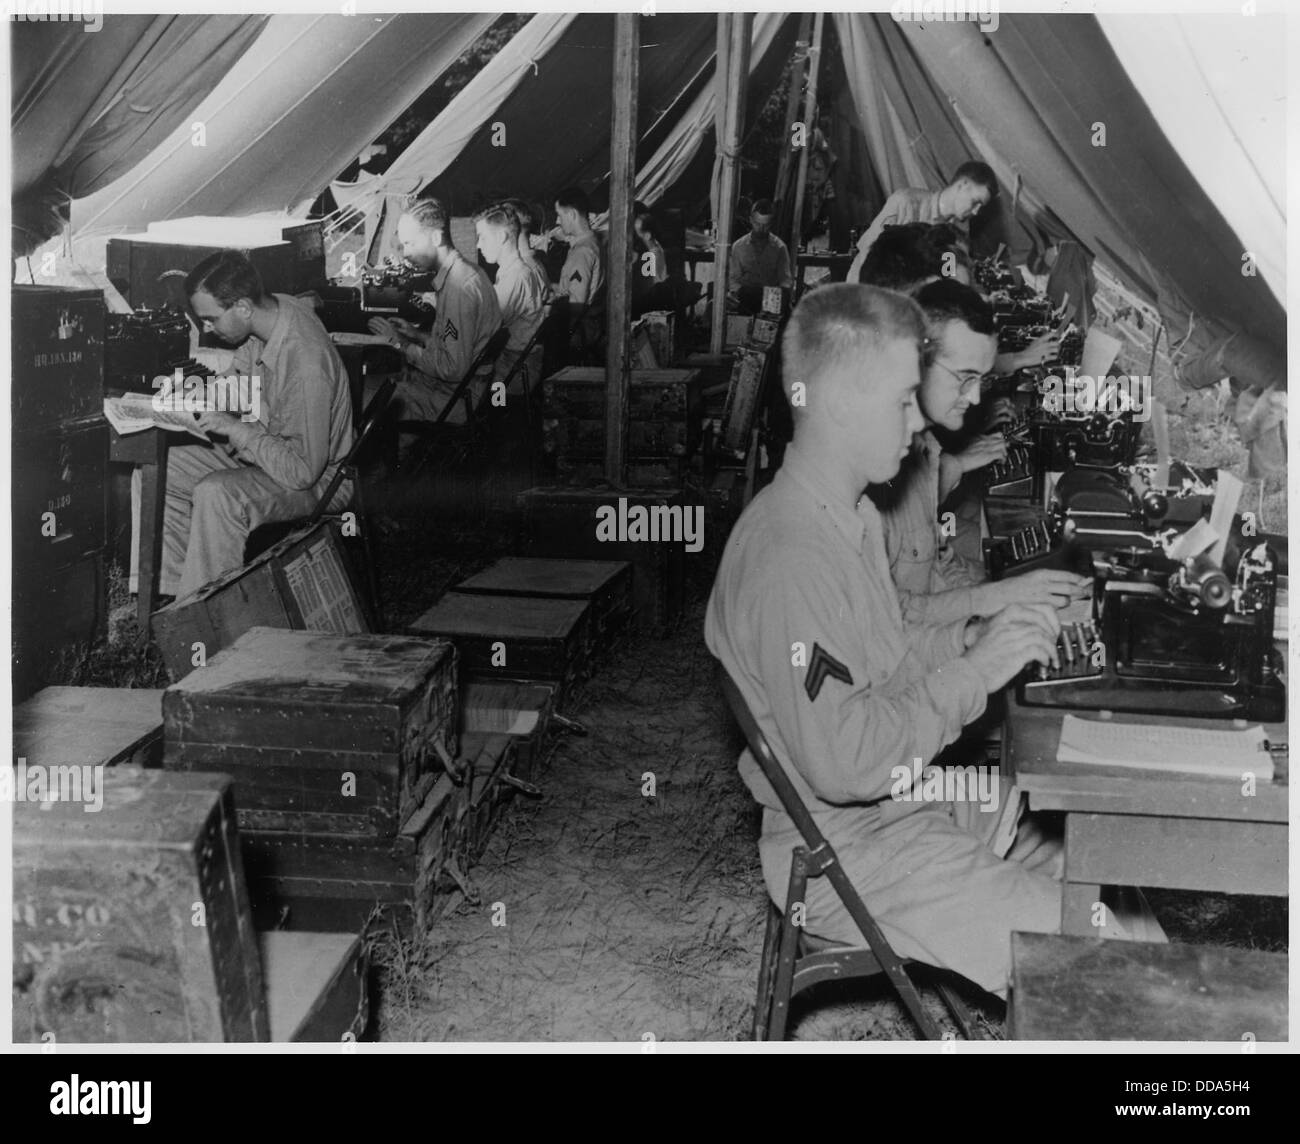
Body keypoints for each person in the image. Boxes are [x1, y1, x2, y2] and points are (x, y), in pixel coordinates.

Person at [705, 283, 1159, 998]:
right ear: (839, 403)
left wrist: (986, 635)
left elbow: (886, 657)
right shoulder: (790, 556)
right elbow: (849, 762)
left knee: (1109, 876)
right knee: (1114, 962)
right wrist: (977, 670)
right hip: (847, 853)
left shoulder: (843, 518)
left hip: (897, 810)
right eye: (901, 399)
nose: (919, 419)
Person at [874, 278, 1092, 627]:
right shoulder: (876, 466)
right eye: (965, 377)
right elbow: (888, 615)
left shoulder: (925, 449)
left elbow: (937, 564)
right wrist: (996, 599)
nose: (976, 398)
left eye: (982, 379)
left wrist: (1007, 587)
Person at [161, 251, 354, 600]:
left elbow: (302, 472)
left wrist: (235, 429)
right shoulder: (270, 316)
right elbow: (244, 382)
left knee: (217, 492)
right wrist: (197, 391)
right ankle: (177, 598)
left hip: (320, 479)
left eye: (210, 319)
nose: (206, 328)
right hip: (272, 452)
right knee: (165, 468)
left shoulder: (305, 364)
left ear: (243, 307)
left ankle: (211, 610)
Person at [366, 196, 502, 423]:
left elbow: (453, 369)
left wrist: (398, 343)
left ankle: (396, 454)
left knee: (368, 396)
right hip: (465, 387)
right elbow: (458, 343)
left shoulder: (459, 288)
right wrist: (417, 334)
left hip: (455, 397)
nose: (405, 253)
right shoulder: (466, 273)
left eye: (410, 243)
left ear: (436, 238)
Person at [847, 160, 998, 283]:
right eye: (975, 202)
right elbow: (868, 258)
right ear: (962, 185)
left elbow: (949, 274)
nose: (976, 211)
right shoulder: (905, 203)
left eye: (981, 207)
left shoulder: (959, 231)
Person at [475, 202, 548, 389]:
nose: (478, 245)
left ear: (500, 237)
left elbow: (484, 324)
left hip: (511, 372)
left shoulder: (516, 276)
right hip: (517, 363)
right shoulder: (512, 271)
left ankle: (495, 411)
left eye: (482, 237)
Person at [552, 186, 605, 354]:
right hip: (593, 326)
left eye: (559, 215)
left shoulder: (582, 251)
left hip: (579, 333)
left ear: (572, 214)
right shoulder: (594, 243)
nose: (557, 221)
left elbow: (576, 304)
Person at [727, 198, 793, 313]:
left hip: (770, 297)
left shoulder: (780, 247)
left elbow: (785, 281)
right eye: (757, 224)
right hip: (745, 298)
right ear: (750, 220)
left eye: (766, 225)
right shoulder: (738, 246)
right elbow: (734, 280)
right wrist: (737, 298)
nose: (761, 229)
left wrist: (775, 300)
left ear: (771, 223)